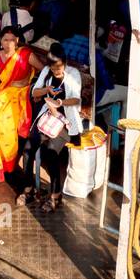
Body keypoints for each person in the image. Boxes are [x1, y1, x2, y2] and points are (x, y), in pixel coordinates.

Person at [0, 26, 43, 186]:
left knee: (4, 122)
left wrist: (37, 89)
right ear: (0, 41)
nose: (8, 43)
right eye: (5, 40)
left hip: (23, 93)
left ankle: (8, 164)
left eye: (12, 40)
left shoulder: (25, 54)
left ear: (17, 41)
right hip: (5, 92)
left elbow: (43, 70)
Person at [30, 46, 84, 211]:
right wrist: (47, 90)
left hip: (67, 123)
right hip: (48, 119)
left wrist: (59, 102)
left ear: (65, 63)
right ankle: (29, 188)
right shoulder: (47, 71)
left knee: (50, 151)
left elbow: (76, 99)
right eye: (53, 68)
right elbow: (34, 93)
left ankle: (55, 194)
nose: (56, 71)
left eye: (59, 68)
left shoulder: (73, 74)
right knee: (29, 146)